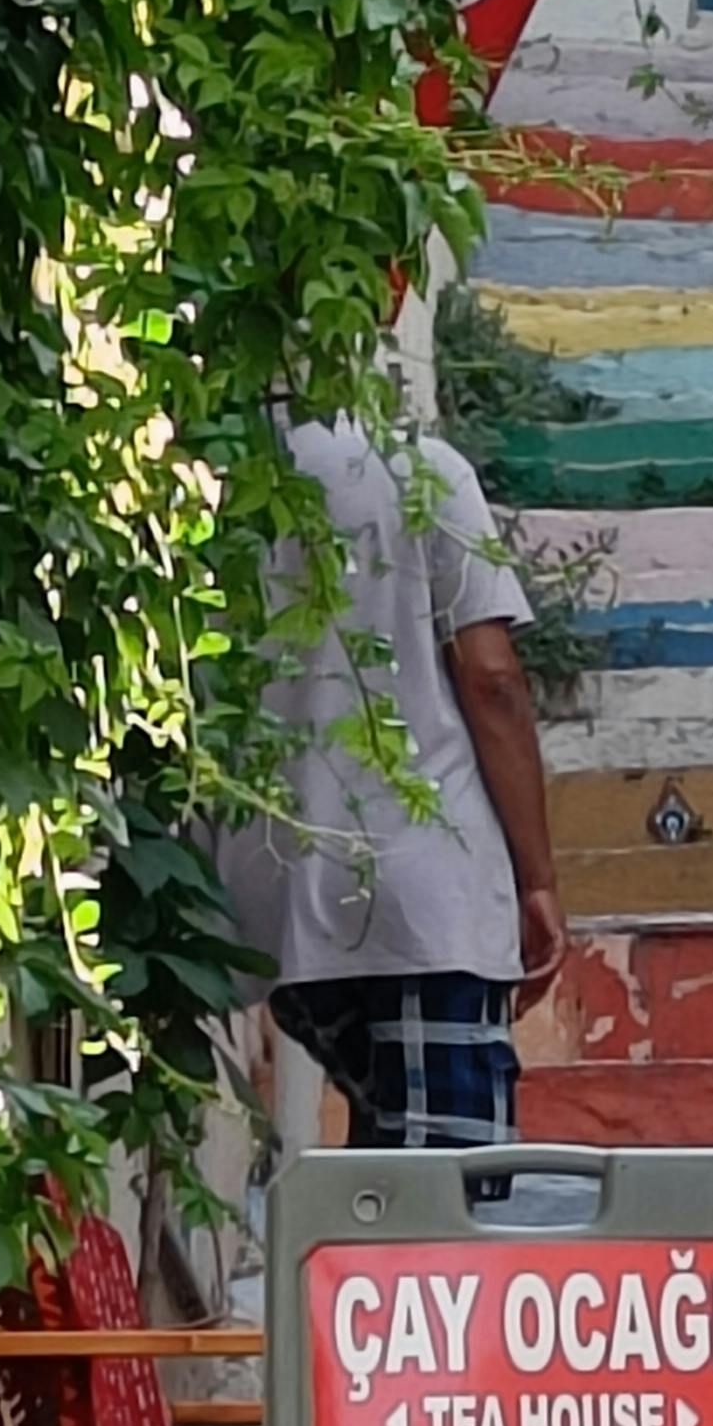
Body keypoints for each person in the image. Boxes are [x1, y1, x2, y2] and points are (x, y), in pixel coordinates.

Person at [221, 415, 568, 1146]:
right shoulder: (421, 472)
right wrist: (537, 880)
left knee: (381, 1190)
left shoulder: (216, 475)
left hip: (277, 894)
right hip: (421, 899)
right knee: (441, 1208)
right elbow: (491, 677)